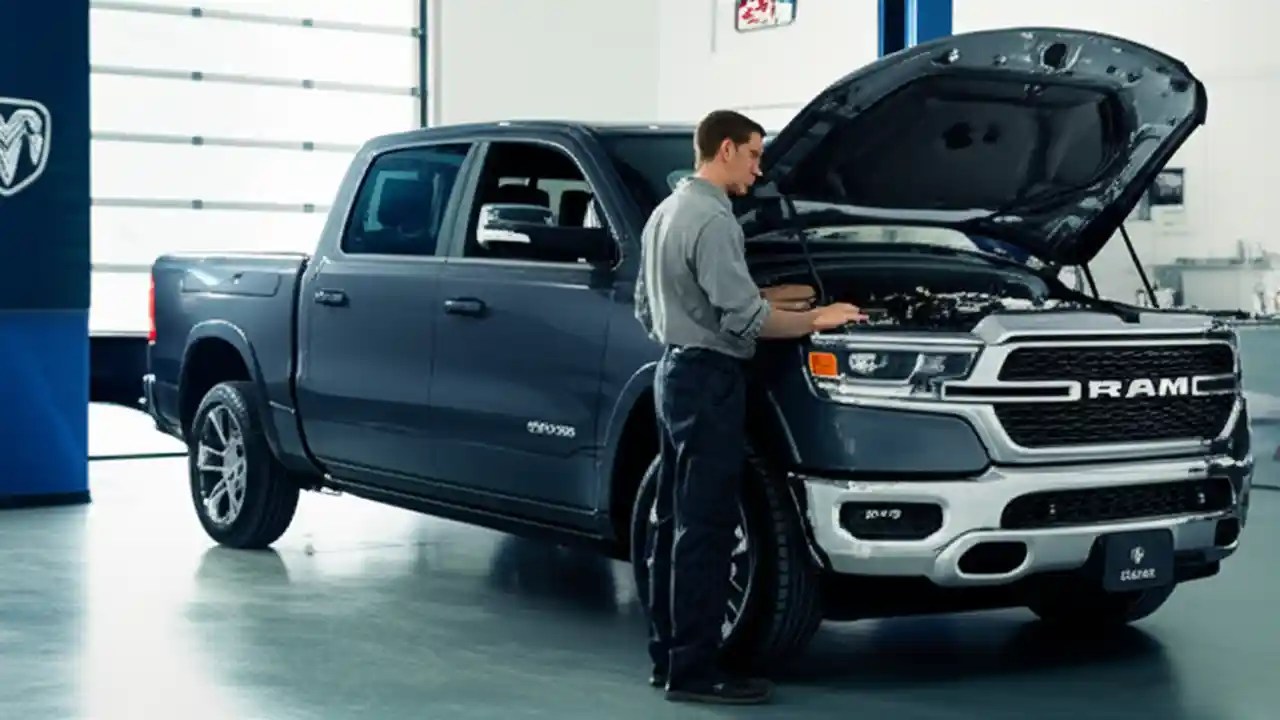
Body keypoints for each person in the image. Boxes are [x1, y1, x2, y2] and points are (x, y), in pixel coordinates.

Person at [634, 109, 865, 705]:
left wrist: (758, 297)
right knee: (708, 529)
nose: (759, 170)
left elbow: (649, 306)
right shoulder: (714, 218)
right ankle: (696, 673)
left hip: (674, 372)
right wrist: (817, 318)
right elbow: (745, 321)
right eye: (756, 155)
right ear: (726, 149)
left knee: (673, 524)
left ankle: (669, 659)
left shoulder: (666, 212)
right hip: (710, 379)